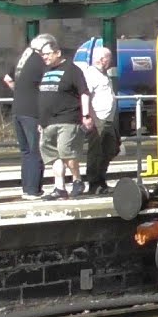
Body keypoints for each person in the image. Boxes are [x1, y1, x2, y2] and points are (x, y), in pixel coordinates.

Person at [36, 40, 92, 200]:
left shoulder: (73, 70)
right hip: (48, 122)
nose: (45, 57)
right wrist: (41, 120)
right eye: (43, 55)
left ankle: (77, 180)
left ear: (58, 53)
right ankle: (59, 188)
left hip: (68, 119)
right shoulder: (46, 70)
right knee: (53, 155)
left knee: (66, 151)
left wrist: (86, 115)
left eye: (47, 54)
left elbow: (84, 92)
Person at [1, 34, 50, 200]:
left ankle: (26, 189)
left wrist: (19, 92)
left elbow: (7, 79)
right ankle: (34, 190)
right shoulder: (39, 61)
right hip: (32, 110)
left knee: (26, 152)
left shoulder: (21, 58)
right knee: (36, 150)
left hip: (17, 109)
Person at [80, 46, 119, 195]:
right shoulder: (91, 74)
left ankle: (101, 179)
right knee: (96, 151)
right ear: (103, 59)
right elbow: (86, 96)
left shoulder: (103, 74)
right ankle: (94, 183)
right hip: (98, 118)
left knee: (111, 148)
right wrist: (88, 116)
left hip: (107, 119)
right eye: (109, 58)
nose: (110, 61)